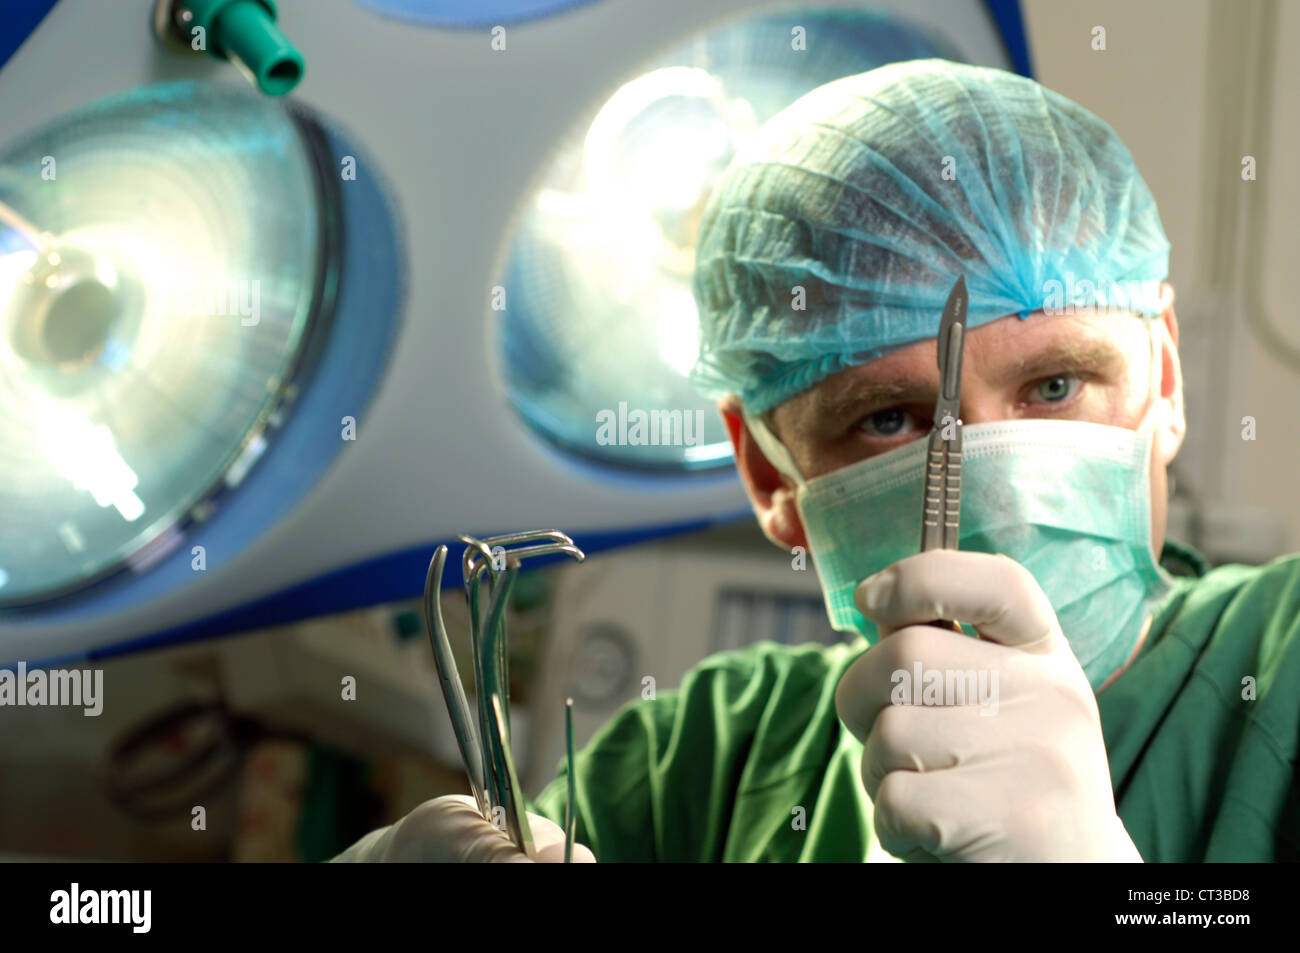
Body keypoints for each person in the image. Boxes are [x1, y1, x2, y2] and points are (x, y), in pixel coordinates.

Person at [334, 59, 1300, 863]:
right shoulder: (693, 768)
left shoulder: (1282, 665)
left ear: (1163, 379)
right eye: (888, 418)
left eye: (1055, 386)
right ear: (772, 481)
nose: (991, 487)